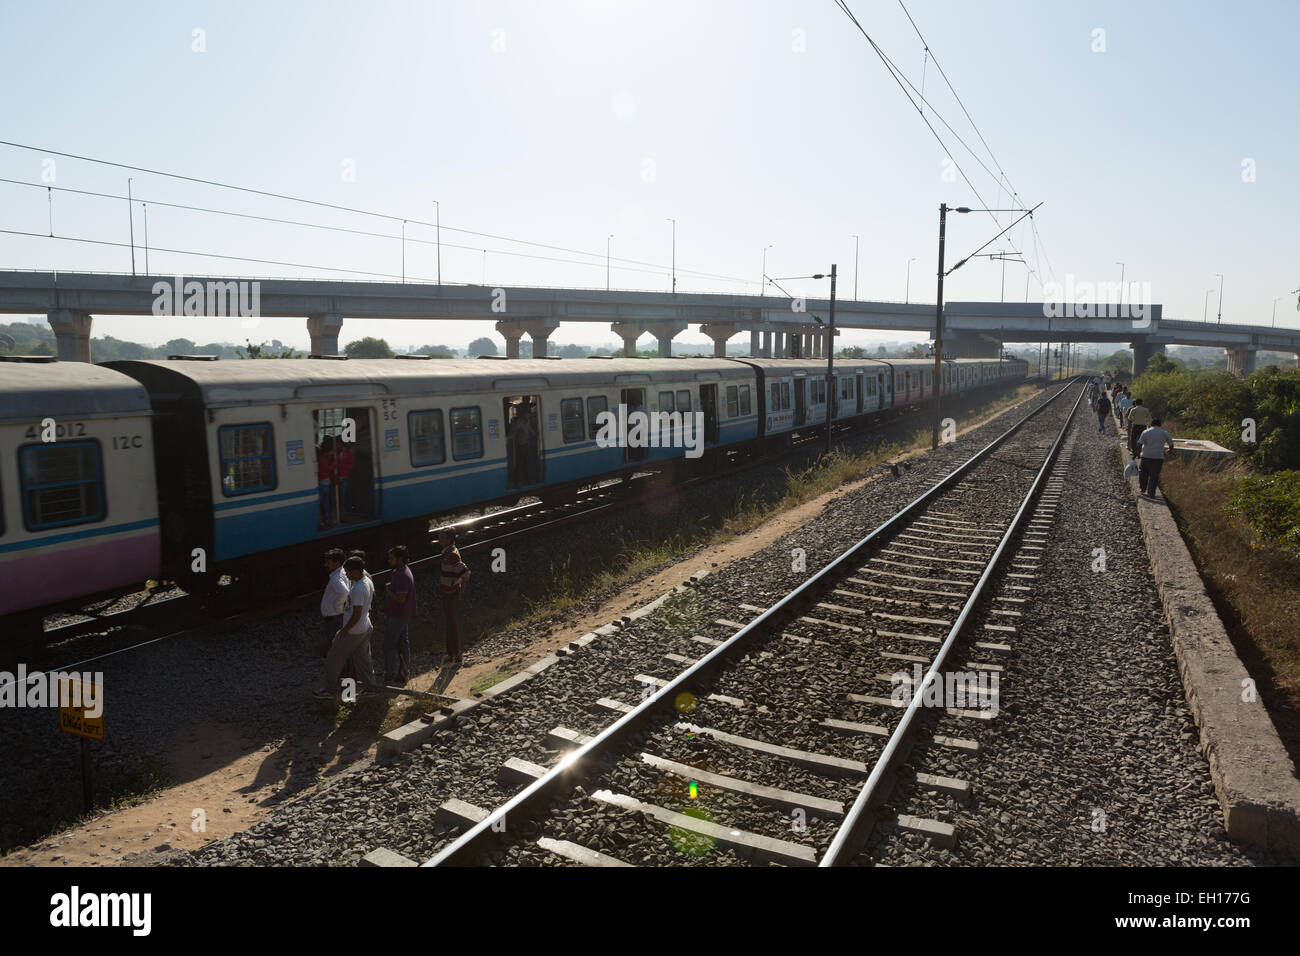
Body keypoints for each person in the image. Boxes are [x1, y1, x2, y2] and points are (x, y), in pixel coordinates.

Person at [314, 555, 377, 699]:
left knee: (334, 657)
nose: (346, 575)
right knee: (363, 659)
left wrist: (344, 630)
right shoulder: (367, 580)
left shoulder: (359, 589)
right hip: (365, 627)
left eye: (348, 572)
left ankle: (330, 690)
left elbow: (356, 614)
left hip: (353, 631)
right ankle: (371, 688)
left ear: (355, 571)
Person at [382, 545, 415, 685]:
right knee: (403, 643)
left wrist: (388, 591)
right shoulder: (402, 571)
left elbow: (401, 599)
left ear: (400, 559)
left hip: (398, 615)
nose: (389, 561)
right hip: (402, 614)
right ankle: (403, 673)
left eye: (391, 558)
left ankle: (390, 676)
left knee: (389, 645)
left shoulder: (402, 575)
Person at [438, 528, 470, 665]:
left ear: (449, 539)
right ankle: (452, 654)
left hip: (451, 594)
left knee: (452, 626)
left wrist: (460, 591)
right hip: (448, 594)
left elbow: (465, 573)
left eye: (442, 537)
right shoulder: (447, 552)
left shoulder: (451, 555)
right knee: (450, 625)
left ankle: (455, 657)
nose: (439, 540)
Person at [1134, 416, 1175, 499]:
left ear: (1151, 424)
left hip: (1146, 456)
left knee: (1143, 473)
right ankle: (1151, 493)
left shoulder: (1146, 432)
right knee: (1154, 476)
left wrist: (1135, 454)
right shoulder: (1164, 433)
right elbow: (1171, 445)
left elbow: (1139, 444)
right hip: (1158, 458)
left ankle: (1143, 489)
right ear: (1160, 424)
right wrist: (1169, 451)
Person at [319, 548, 349, 658]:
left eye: (329, 562)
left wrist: (337, 606)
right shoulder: (342, 573)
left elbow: (344, 592)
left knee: (337, 648)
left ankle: (341, 668)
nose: (326, 565)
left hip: (334, 618)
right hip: (337, 617)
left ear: (337, 563)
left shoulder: (336, 577)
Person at [317, 436, 336, 527]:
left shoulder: (323, 458)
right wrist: (334, 464)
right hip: (323, 482)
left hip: (324, 482)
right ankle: (324, 519)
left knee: (325, 502)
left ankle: (325, 519)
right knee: (324, 502)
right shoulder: (322, 459)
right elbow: (327, 469)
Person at [335, 440, 355, 520]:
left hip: (344, 478)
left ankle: (342, 516)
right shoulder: (334, 453)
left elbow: (351, 465)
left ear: (342, 445)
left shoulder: (349, 453)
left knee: (342, 498)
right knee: (335, 498)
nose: (337, 446)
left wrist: (340, 466)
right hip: (335, 478)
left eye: (339, 444)